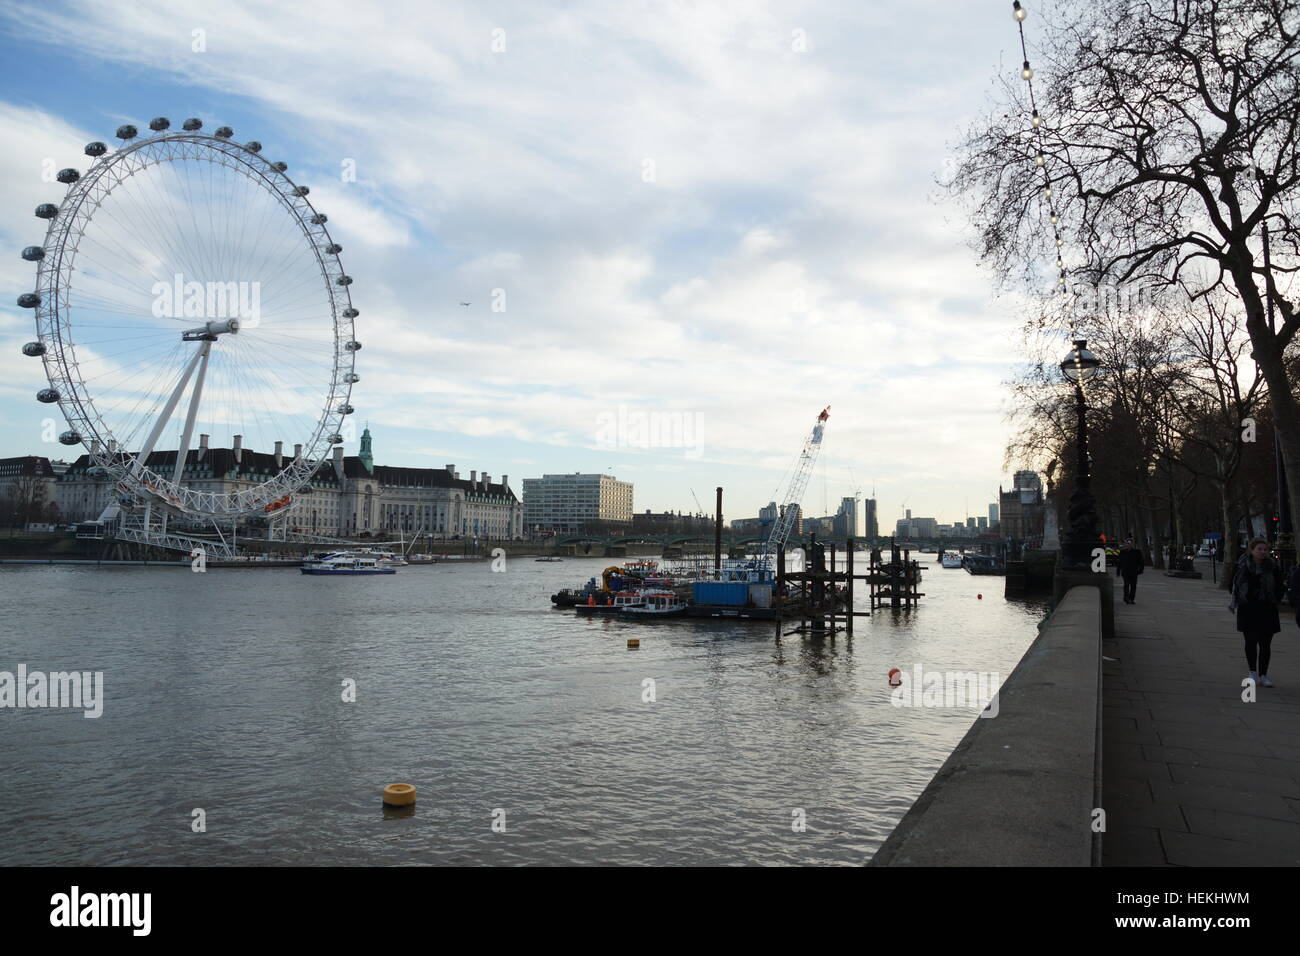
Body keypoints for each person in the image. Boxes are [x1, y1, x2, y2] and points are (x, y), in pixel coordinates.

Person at [1230, 537, 1283, 687]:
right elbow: (1233, 585)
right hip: (1248, 609)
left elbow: (1279, 586)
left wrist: (1274, 599)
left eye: (1265, 549)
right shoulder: (1242, 566)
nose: (1262, 552)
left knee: (1265, 644)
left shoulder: (1273, 567)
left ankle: (1264, 675)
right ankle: (1252, 672)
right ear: (1251, 550)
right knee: (1251, 642)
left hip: (1267, 609)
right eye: (1259, 549)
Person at [1116, 538, 1145, 604]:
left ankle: (1131, 598)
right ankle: (1126, 598)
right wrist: (1118, 571)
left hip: (1134, 572)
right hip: (1125, 572)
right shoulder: (1122, 552)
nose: (1128, 545)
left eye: (1129, 543)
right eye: (1127, 543)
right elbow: (1119, 562)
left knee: (1133, 586)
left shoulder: (1137, 552)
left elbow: (1141, 562)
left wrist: (1141, 570)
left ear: (1132, 544)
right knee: (1126, 585)